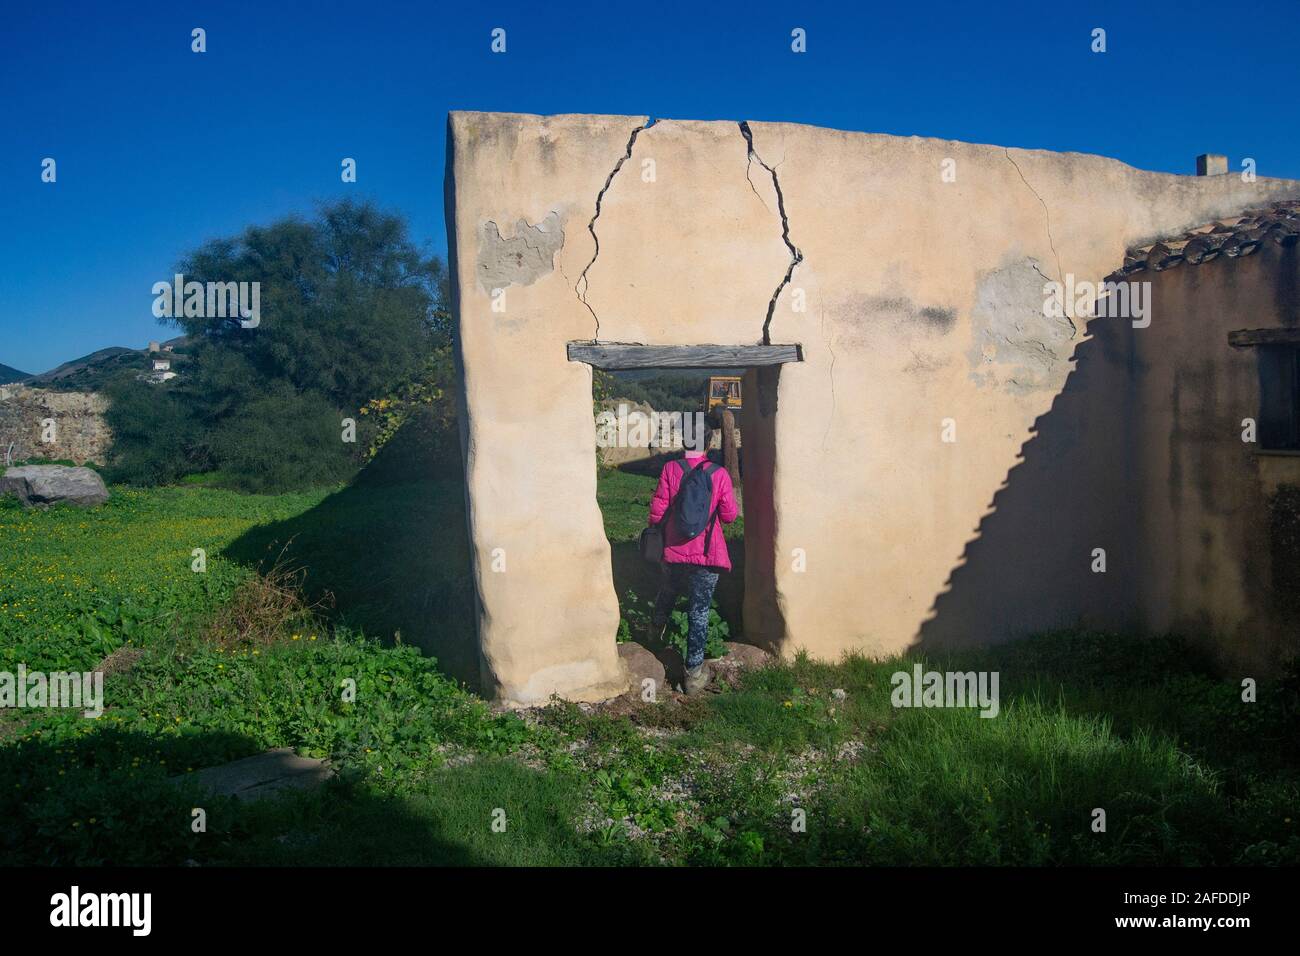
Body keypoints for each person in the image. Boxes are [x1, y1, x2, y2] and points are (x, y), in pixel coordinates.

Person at [646, 409, 739, 694]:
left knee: (668, 591)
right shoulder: (718, 474)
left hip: (674, 551)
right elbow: (729, 516)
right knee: (699, 611)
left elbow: (656, 513)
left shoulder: (671, 470)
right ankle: (693, 674)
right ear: (709, 444)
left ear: (684, 442)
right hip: (707, 554)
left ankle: (653, 639)